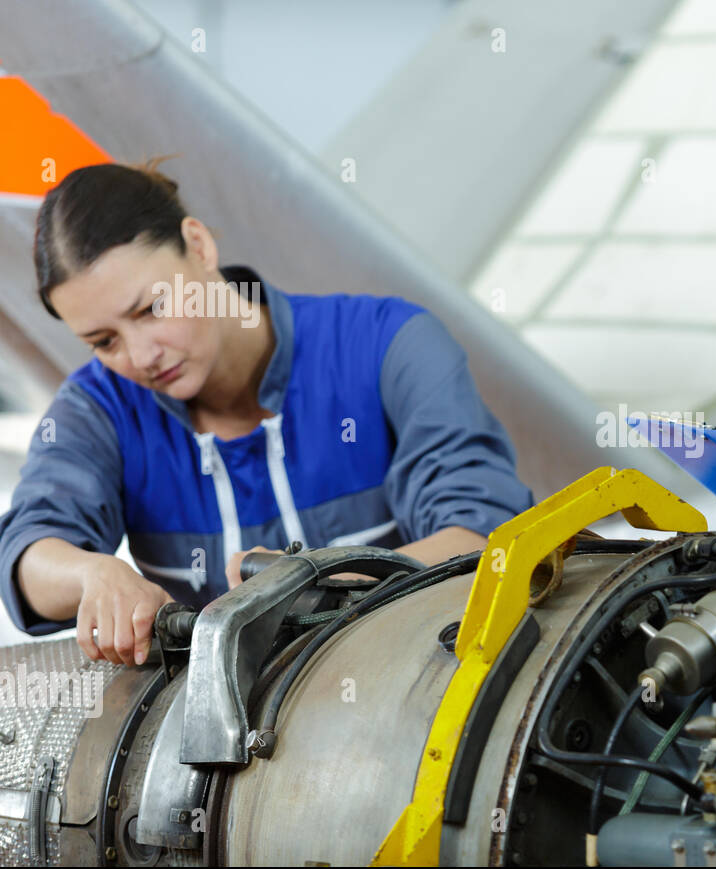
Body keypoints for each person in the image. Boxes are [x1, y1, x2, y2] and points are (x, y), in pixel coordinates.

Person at [0, 161, 533, 669]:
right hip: (236, 751)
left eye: (151, 309)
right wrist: (94, 573)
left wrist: (314, 578)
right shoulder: (100, 407)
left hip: (426, 693)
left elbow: (484, 536)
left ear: (199, 245)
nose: (141, 356)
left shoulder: (387, 346)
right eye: (104, 340)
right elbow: (27, 560)